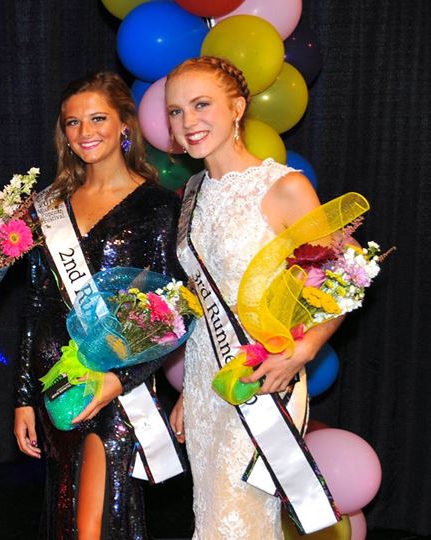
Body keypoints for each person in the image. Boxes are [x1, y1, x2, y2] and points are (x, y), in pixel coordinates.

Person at [165, 56, 342, 539]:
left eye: (201, 105)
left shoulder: (284, 187)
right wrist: (187, 390)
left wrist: (302, 352)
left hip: (263, 376)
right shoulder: (192, 194)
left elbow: (339, 282)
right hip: (208, 383)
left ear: (237, 107)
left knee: (241, 518)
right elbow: (203, 298)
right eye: (176, 111)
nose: (188, 122)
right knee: (214, 515)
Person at [13, 72, 183, 539]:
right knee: (65, 513)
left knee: (97, 522)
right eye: (73, 123)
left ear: (125, 124)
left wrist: (119, 378)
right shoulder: (48, 204)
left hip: (115, 383)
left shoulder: (157, 206)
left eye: (98, 118)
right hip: (58, 382)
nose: (85, 132)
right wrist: (24, 398)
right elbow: (34, 303)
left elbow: (171, 309)